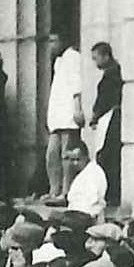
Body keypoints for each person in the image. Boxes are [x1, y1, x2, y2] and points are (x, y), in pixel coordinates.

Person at [43, 34, 86, 199]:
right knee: (52, 155)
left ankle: (66, 191)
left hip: (68, 117)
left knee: (67, 156)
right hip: (56, 118)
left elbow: (76, 85)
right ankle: (54, 189)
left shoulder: (73, 57)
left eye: (54, 41)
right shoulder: (59, 61)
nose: (51, 45)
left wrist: (77, 109)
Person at [88, 41, 124, 207]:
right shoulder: (114, 72)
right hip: (110, 116)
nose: (95, 63)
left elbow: (104, 99)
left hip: (110, 117)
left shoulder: (111, 75)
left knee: (106, 156)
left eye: (97, 58)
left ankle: (110, 194)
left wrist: (95, 115)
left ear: (105, 56)